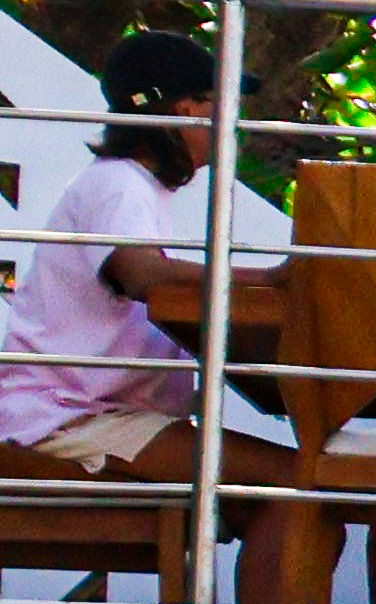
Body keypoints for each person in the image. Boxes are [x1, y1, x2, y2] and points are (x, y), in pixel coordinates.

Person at [0, 27, 244, 528]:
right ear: (187, 110)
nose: (230, 123)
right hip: (66, 416)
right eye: (219, 105)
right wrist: (262, 279)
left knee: (268, 490)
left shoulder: (130, 186)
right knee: (281, 489)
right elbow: (140, 274)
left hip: (87, 412)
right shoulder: (119, 183)